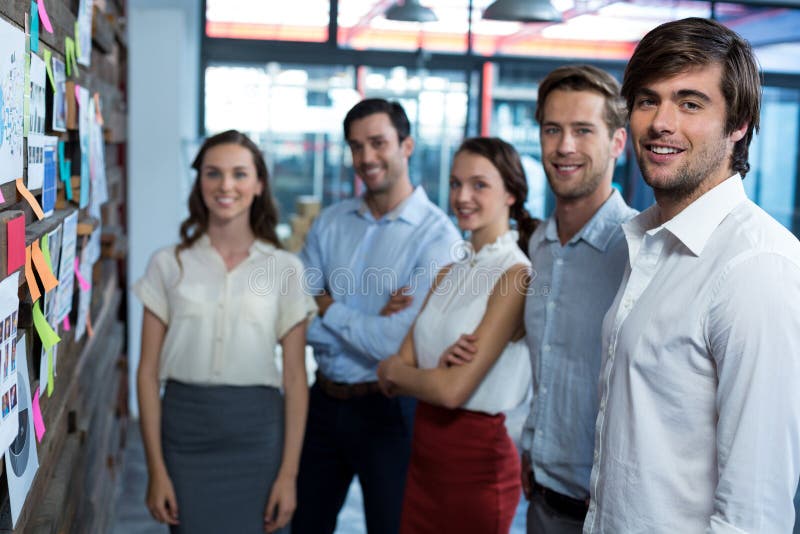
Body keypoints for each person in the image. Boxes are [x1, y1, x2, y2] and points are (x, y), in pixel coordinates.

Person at [585, 18, 800, 533]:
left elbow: (754, 515)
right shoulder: (648, 242)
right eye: (647, 100)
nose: (661, 123)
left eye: (690, 103)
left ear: (739, 123)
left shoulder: (756, 269)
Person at [293, 98, 461, 534]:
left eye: (378, 143)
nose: (366, 157)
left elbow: (394, 344)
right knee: (303, 525)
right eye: (355, 146)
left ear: (406, 145)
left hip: (391, 410)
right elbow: (292, 317)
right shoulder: (330, 223)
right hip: (323, 403)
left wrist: (328, 305)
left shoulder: (438, 237)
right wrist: (364, 319)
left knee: (391, 527)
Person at [135, 130, 314, 534]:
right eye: (213, 174)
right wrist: (156, 469)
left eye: (239, 174)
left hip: (258, 438)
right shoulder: (167, 264)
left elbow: (295, 378)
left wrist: (288, 475)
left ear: (259, 184)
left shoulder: (284, 269)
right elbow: (147, 374)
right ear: (199, 183)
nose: (226, 186)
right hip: (184, 436)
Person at [377, 137, 538, 534]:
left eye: (479, 185)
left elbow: (448, 390)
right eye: (455, 183)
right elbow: (388, 373)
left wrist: (411, 375)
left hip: (476, 466)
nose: (462, 196)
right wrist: (428, 375)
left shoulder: (516, 274)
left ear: (511, 194)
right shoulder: (450, 270)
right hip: (425, 457)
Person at [514, 65, 637, 534]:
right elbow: (549, 366)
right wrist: (531, 444)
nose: (564, 146)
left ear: (618, 143)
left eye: (583, 130)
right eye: (552, 130)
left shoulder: (637, 252)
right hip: (541, 501)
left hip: (606, 515)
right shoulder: (538, 247)